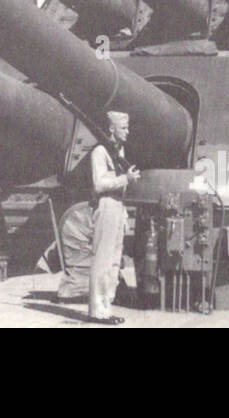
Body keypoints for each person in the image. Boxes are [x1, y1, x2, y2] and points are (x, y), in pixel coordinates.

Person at [88, 111, 140, 325]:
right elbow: (99, 184)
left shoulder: (118, 151)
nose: (127, 131)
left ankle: (106, 309)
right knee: (103, 260)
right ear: (111, 128)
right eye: (123, 127)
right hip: (107, 204)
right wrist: (125, 178)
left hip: (118, 206)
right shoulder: (100, 152)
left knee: (114, 261)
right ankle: (97, 311)